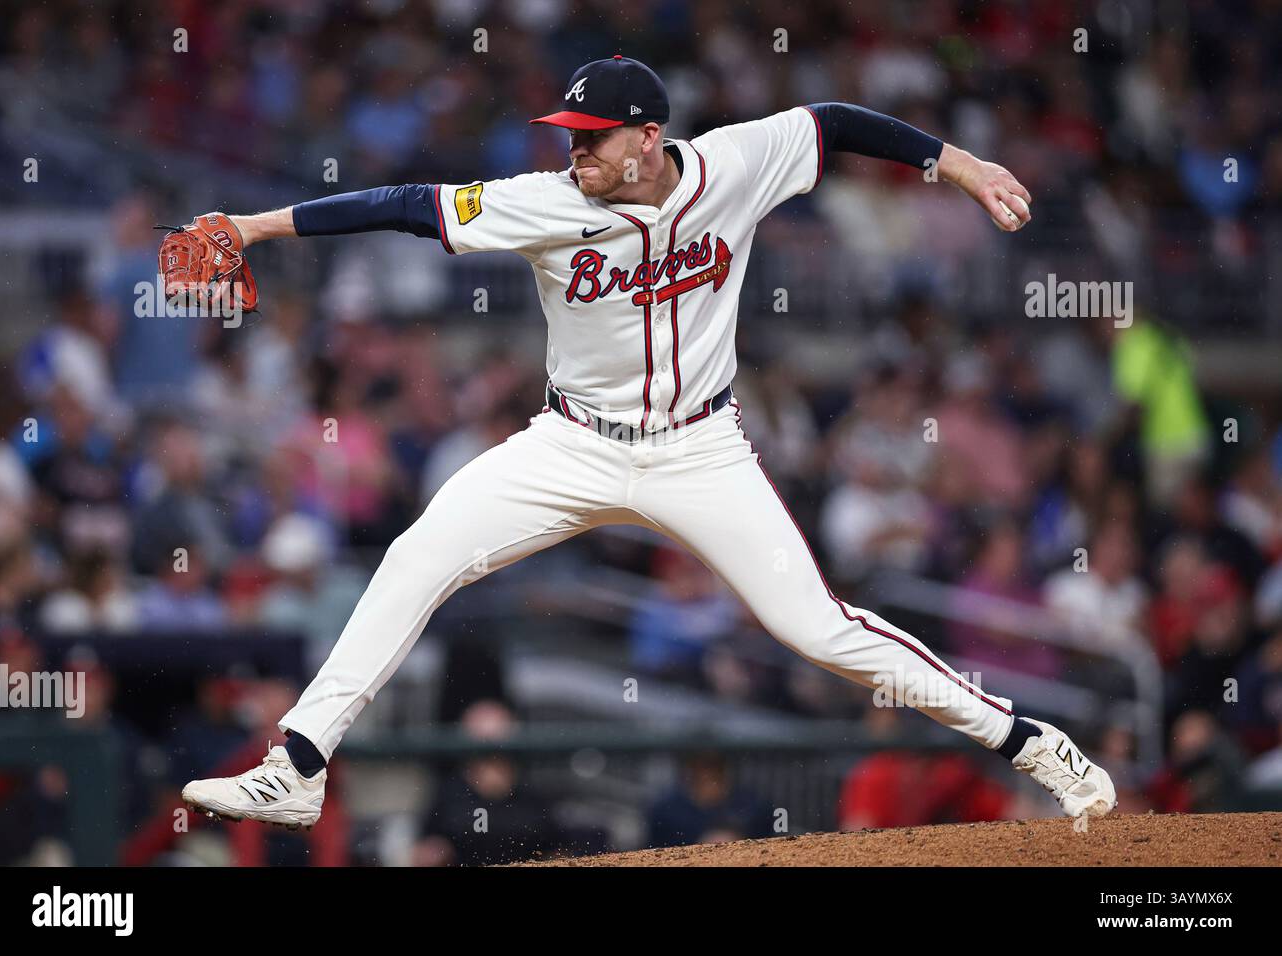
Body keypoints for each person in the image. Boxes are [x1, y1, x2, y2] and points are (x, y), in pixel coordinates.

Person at [183, 56, 1115, 831]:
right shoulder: (543, 201)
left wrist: (959, 164)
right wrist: (255, 227)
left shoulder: (731, 165)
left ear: (647, 140)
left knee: (819, 630)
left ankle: (1034, 745)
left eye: (592, 135)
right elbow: (402, 204)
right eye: (569, 133)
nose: (575, 148)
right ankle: (299, 763)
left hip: (699, 450)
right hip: (570, 444)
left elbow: (831, 122)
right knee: (417, 554)